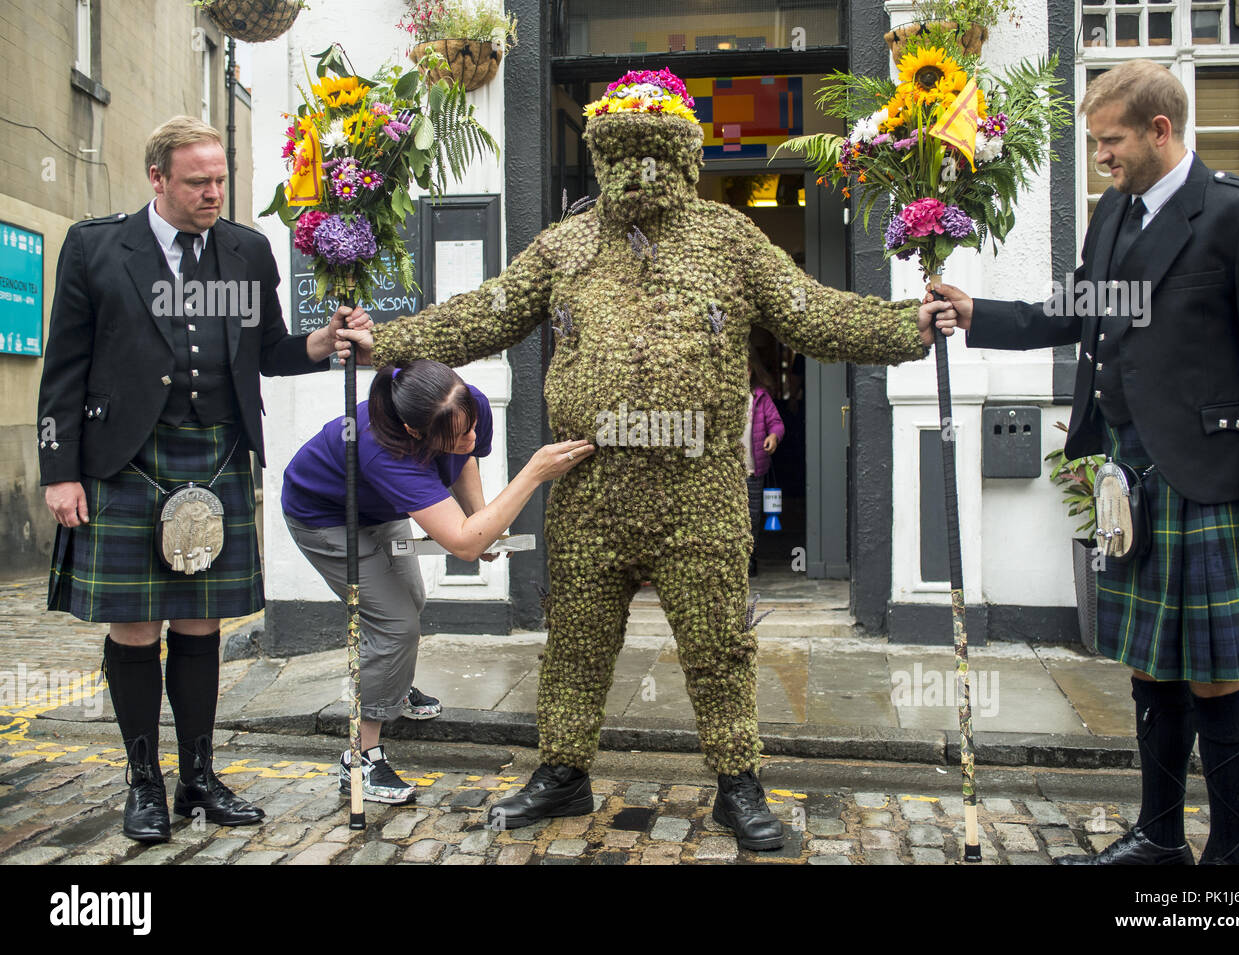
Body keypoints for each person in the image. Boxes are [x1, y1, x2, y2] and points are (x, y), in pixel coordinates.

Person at [337, 68, 929, 850]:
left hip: (699, 487)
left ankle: (737, 781)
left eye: (654, 150)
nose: (638, 169)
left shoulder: (729, 238)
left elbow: (811, 312)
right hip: (590, 483)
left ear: (685, 156)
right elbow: (488, 312)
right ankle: (564, 769)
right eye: (620, 152)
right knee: (577, 641)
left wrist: (908, 327)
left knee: (719, 644)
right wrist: (391, 341)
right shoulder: (568, 244)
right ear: (599, 157)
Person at [918, 59, 1239, 865]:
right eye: (1095, 141)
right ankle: (1160, 836)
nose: (1100, 155)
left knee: (1215, 678)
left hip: (1212, 479)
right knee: (1153, 670)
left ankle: (1226, 857)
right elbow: (1079, 308)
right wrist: (977, 311)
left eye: (1110, 139)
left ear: (1161, 130)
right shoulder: (1115, 216)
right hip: (1134, 477)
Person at [37, 116, 366, 844]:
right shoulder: (97, 248)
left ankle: (199, 774)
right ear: (158, 179)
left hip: (215, 456)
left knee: (200, 623)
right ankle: (142, 780)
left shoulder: (247, 250)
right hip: (126, 460)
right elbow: (62, 368)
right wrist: (60, 471)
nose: (213, 192)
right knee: (135, 625)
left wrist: (327, 341)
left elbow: (274, 349)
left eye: (220, 179)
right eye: (197, 182)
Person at [281, 359, 594, 802]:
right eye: (456, 435)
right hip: (327, 519)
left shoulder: (462, 404)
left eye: (471, 427)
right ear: (414, 433)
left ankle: (392, 683)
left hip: (383, 509)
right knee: (393, 626)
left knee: (413, 598)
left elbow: (465, 465)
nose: (470, 439)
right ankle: (361, 759)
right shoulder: (382, 448)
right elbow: (465, 547)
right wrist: (532, 474)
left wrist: (480, 519)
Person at [744, 349, 785, 577]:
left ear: (752, 371)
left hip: (754, 469)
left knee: (752, 516)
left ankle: (750, 558)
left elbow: (777, 423)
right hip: (729, 472)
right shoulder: (726, 397)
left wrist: (774, 436)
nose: (744, 372)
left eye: (747, 368)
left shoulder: (760, 397)